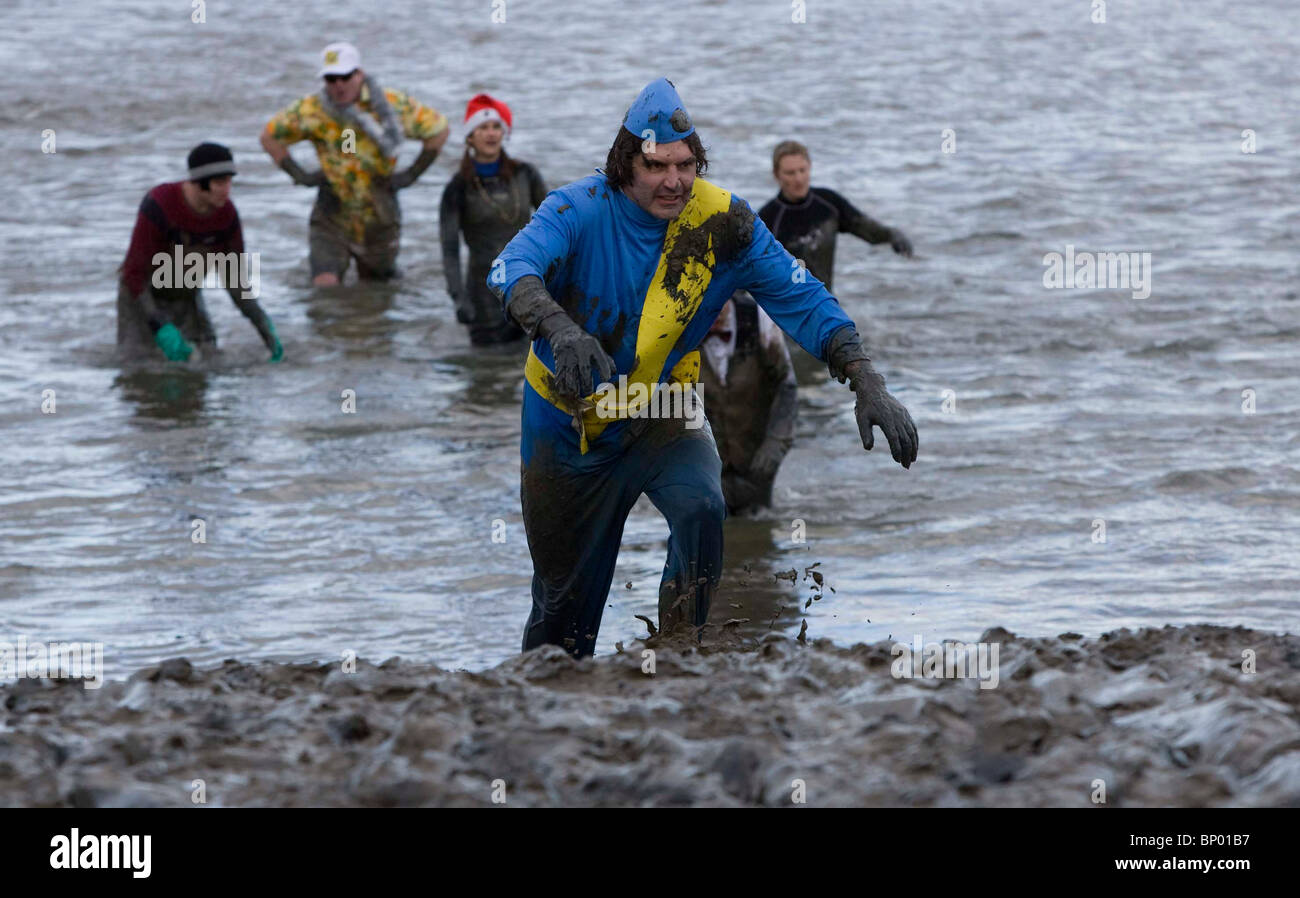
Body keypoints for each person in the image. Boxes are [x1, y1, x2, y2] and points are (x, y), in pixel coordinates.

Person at [489, 78, 918, 658]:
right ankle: (546, 699)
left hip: (665, 411)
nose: (673, 181)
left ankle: (676, 651)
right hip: (567, 424)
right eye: (656, 165)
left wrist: (868, 381)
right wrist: (559, 328)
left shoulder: (724, 223)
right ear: (624, 163)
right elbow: (510, 268)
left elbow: (805, 297)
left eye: (686, 165)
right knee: (562, 608)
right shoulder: (576, 207)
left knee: (703, 506)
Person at [260, 41, 449, 285]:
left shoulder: (392, 105)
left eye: (345, 76)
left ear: (359, 74)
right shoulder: (312, 110)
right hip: (332, 212)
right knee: (325, 286)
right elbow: (269, 137)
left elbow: (439, 131)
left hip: (379, 211)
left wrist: (411, 174)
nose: (338, 85)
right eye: (331, 79)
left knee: (374, 293)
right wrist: (300, 175)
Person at [117, 142, 282, 362]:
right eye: (219, 182)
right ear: (198, 183)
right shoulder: (160, 204)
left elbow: (235, 282)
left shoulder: (227, 216)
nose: (227, 190)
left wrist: (262, 323)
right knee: (141, 370)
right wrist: (159, 325)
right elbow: (133, 273)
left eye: (229, 181)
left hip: (186, 297)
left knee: (204, 367)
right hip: (142, 298)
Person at [439, 94, 547, 344]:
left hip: (527, 280)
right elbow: (449, 249)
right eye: (483, 128)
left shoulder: (525, 174)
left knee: (526, 365)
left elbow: (551, 227)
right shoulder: (458, 187)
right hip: (481, 292)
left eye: (496, 127)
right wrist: (458, 297)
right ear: (470, 137)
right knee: (487, 370)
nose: (491, 134)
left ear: (504, 132)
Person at [759, 140, 913, 293]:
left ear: (810, 167)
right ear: (776, 174)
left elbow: (868, 230)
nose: (798, 179)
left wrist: (892, 235)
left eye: (802, 170)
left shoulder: (829, 204)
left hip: (825, 304)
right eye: (790, 173)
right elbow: (749, 267)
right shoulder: (767, 219)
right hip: (784, 308)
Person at [698, 291, 797, 514]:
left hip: (756, 456)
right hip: (704, 460)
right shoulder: (679, 325)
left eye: (717, 300)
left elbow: (786, 386)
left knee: (758, 532)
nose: (711, 310)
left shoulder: (759, 319)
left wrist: (775, 443)